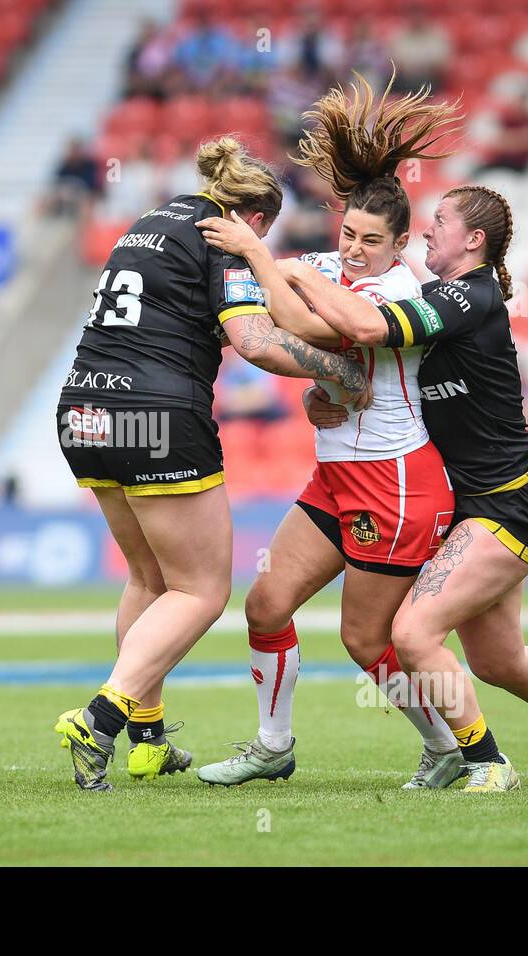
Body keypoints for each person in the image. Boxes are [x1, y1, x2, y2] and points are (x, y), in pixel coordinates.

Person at [206, 180, 528, 792]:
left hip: (511, 502)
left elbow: (361, 328)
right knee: (498, 661)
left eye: (438, 220)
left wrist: (273, 261)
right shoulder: (434, 292)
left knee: (411, 635)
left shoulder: (469, 297)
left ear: (472, 240)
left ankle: (485, 762)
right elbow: (366, 363)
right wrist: (327, 390)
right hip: (461, 497)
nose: (428, 228)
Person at [52, 136, 371, 791]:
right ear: (254, 220)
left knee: (147, 578)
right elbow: (253, 339)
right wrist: (338, 373)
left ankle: (148, 740)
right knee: (200, 590)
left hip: (83, 410)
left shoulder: (146, 225)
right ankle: (102, 718)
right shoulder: (220, 240)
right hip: (157, 415)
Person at [195, 77, 468, 789]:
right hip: (336, 475)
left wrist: (264, 262)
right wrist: (319, 379)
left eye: (371, 241)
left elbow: (316, 323)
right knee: (265, 604)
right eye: (346, 232)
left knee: (364, 639)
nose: (351, 250)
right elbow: (287, 297)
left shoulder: (399, 291)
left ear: (401, 243)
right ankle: (273, 745)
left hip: (396, 479)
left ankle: (447, 746)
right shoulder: (329, 264)